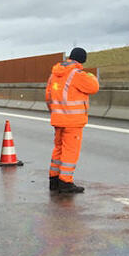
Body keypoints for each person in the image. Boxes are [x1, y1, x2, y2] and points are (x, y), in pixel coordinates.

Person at [46, 47, 99, 193]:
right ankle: (65, 182)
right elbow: (94, 87)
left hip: (58, 119)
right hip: (73, 122)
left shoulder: (54, 74)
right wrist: (91, 75)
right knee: (70, 151)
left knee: (58, 149)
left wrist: (55, 113)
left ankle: (54, 180)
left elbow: (48, 97)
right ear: (82, 60)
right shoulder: (77, 74)